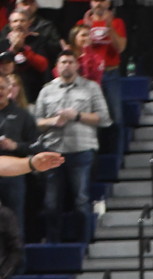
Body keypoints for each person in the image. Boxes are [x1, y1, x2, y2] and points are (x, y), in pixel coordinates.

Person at [35, 50, 111, 244]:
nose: (66, 65)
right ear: (57, 66)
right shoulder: (46, 90)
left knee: (81, 201)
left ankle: (84, 244)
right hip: (53, 150)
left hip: (81, 150)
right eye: (63, 62)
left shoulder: (91, 88)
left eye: (70, 62)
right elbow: (36, 122)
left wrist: (76, 115)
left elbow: (103, 118)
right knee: (51, 204)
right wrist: (53, 121)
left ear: (77, 65)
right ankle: (53, 244)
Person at [75, 0, 125, 144]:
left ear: (109, 2)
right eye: (96, 0)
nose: (99, 4)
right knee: (91, 116)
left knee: (115, 116)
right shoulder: (81, 22)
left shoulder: (117, 22)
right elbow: (76, 49)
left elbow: (120, 48)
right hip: (88, 75)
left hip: (110, 73)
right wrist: (85, 34)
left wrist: (109, 26)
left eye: (102, 0)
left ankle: (116, 155)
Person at [0, 74, 38, 234]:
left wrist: (16, 146)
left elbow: (36, 146)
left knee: (14, 223)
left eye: (2, 87)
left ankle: (17, 259)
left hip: (14, 176)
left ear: (9, 90)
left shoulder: (23, 115)